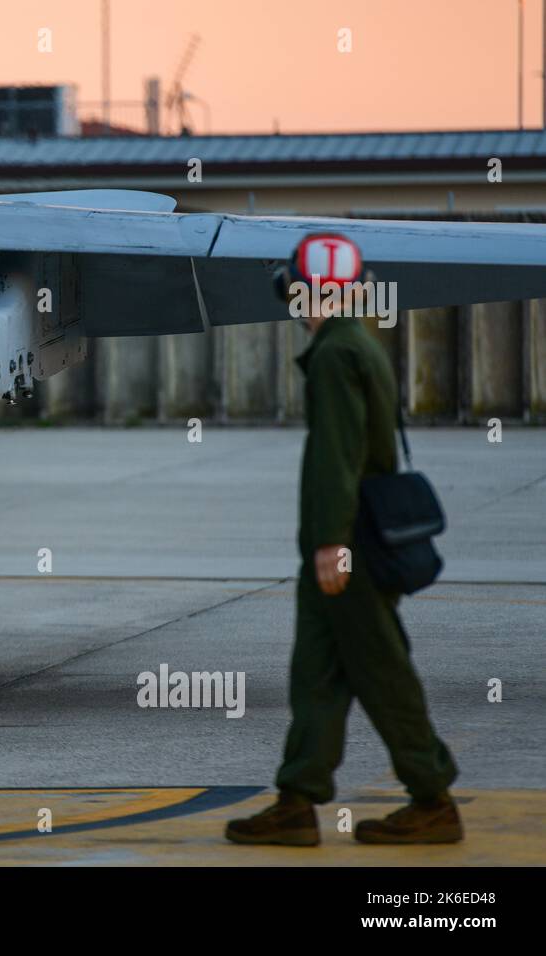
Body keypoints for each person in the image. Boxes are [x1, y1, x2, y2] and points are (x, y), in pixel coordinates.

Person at [225, 301, 460, 847]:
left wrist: (332, 543)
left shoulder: (336, 353)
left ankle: (432, 797)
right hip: (341, 546)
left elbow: (339, 453)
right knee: (317, 677)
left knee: (382, 670)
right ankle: (296, 800)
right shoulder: (356, 342)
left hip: (347, 546)